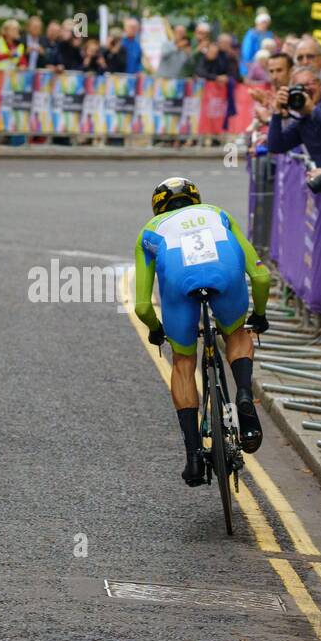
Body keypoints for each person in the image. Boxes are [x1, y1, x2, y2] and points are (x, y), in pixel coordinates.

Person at [134, 178, 271, 485]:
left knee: (183, 362)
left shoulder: (150, 231)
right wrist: (259, 314)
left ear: (157, 207)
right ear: (196, 200)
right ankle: (245, 396)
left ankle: (194, 454)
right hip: (225, 278)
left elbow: (142, 307)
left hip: (180, 291)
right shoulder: (218, 214)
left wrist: (157, 331)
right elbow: (261, 277)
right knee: (236, 335)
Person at [239, 10, 273, 79]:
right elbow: (246, 51)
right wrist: (248, 65)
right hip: (252, 64)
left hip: (265, 64)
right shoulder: (251, 34)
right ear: (258, 23)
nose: (264, 25)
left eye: (266, 23)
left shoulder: (269, 34)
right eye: (263, 22)